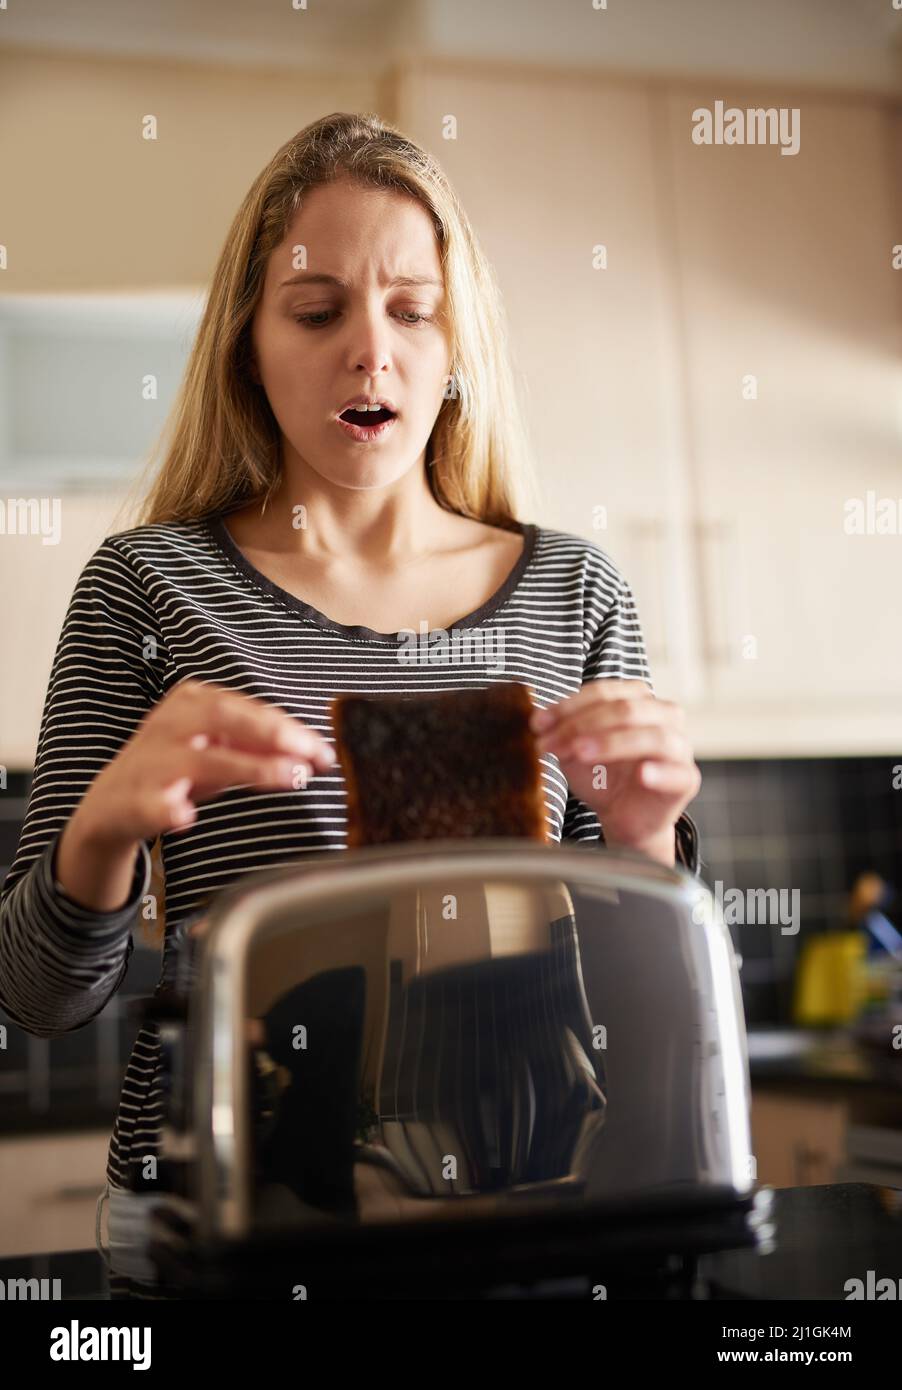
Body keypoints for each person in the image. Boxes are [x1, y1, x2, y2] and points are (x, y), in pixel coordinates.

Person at [0, 111, 702, 1297]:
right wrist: (106, 826)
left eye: (410, 311)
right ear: (248, 348)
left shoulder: (576, 591)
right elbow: (37, 997)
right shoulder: (146, 586)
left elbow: (648, 1029)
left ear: (455, 345)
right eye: (316, 310)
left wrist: (642, 845)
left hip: (526, 1212)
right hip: (218, 1227)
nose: (368, 352)